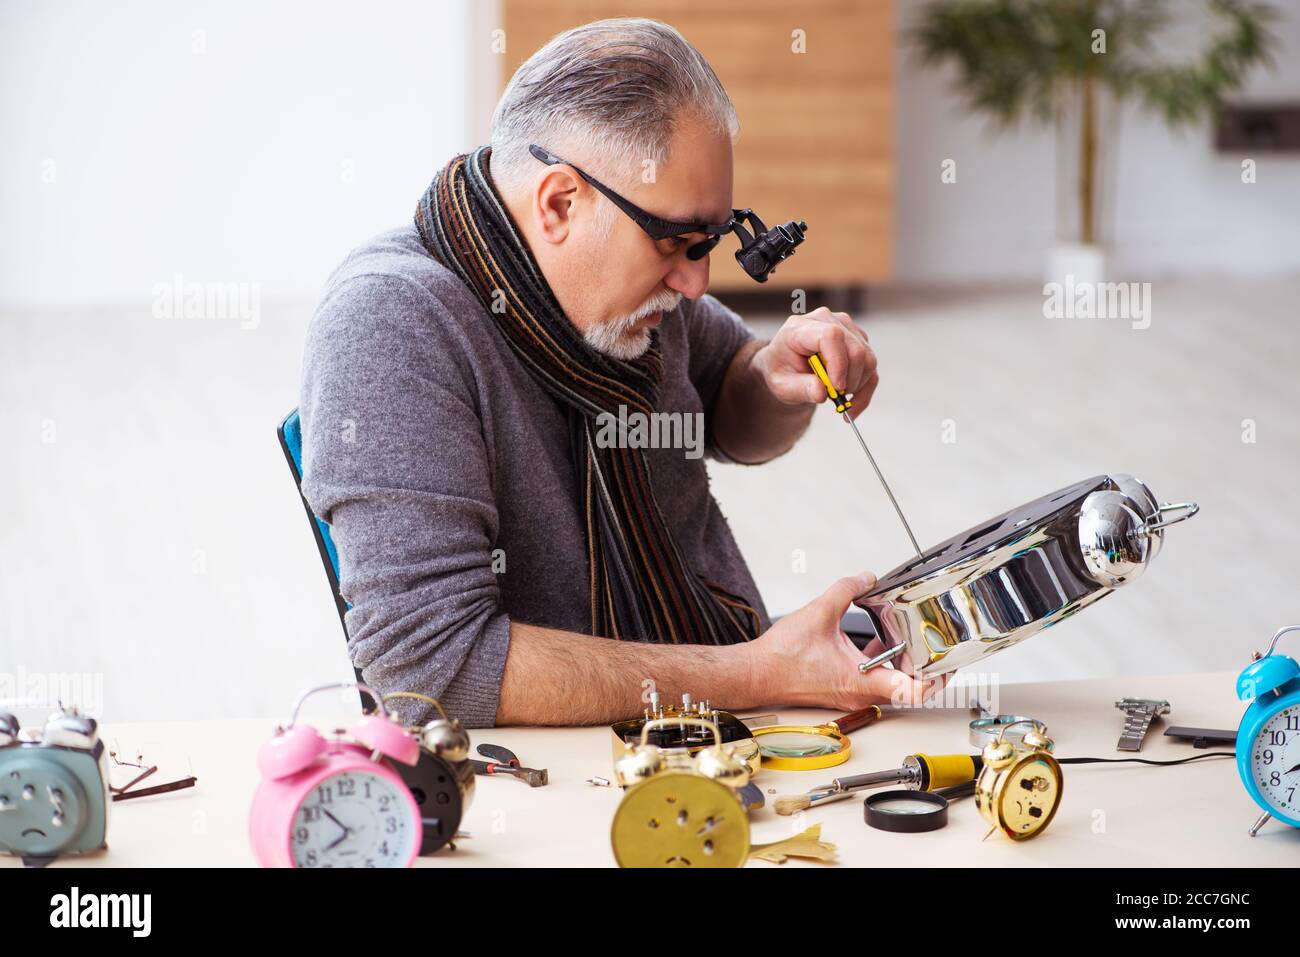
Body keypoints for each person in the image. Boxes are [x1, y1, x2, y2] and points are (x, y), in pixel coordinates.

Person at [299, 17, 940, 728]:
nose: (696, 282)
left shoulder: (636, 294)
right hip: (556, 766)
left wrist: (772, 378)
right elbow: (433, 672)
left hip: (711, 691)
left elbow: (724, 409)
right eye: (675, 241)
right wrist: (761, 670)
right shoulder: (391, 325)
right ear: (559, 203)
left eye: (711, 242)